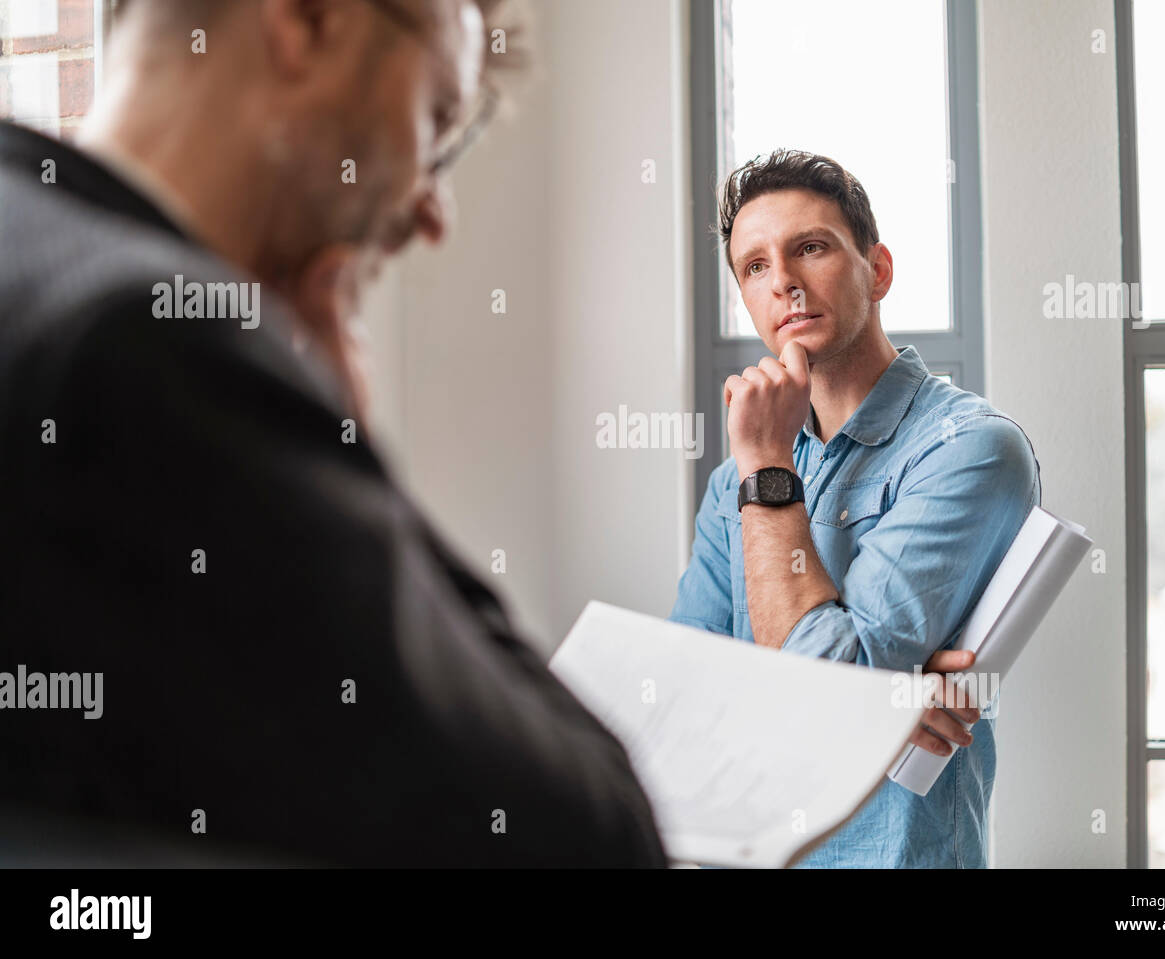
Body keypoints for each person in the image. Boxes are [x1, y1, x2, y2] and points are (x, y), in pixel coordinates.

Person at [0, 0, 665, 867]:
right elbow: (593, 834)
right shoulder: (152, 353)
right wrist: (349, 443)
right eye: (433, 119)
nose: (434, 217)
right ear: (307, 19)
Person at [670, 149, 1042, 868]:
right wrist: (871, 703)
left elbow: (828, 685)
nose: (783, 281)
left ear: (878, 270)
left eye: (810, 247)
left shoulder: (972, 449)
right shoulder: (734, 482)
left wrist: (769, 471)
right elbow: (684, 697)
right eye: (754, 266)